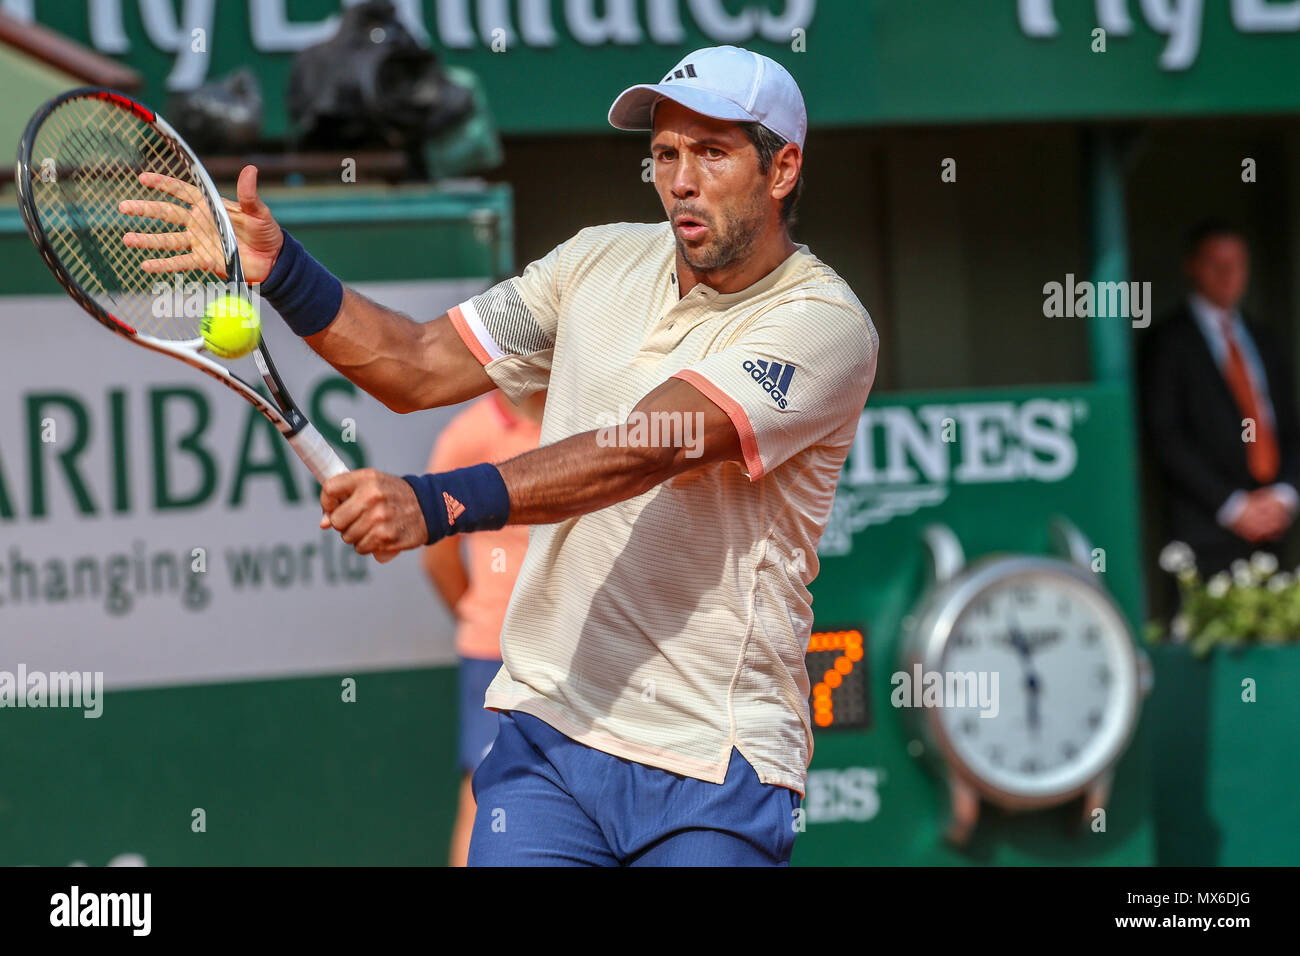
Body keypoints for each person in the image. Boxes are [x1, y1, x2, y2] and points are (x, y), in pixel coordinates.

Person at [123, 44, 879, 866]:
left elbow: (647, 448)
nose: (681, 181)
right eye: (665, 154)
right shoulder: (594, 261)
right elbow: (416, 361)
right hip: (547, 735)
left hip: (713, 759)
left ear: (782, 169)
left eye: (711, 152)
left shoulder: (823, 325)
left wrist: (437, 501)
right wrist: (282, 272)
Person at [422, 389, 544, 867]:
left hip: (582, 648)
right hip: (494, 652)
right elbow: (438, 559)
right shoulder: (466, 437)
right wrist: (481, 617)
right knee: (485, 796)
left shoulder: (585, 418)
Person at [1140, 220, 1300, 577]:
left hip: (1276, 526)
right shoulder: (1168, 343)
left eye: (1238, 264)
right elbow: (1166, 436)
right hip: (1205, 530)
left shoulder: (1264, 338)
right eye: (1217, 264)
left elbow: (1289, 425)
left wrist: (1284, 495)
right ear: (1192, 266)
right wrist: (1234, 506)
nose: (1229, 275)